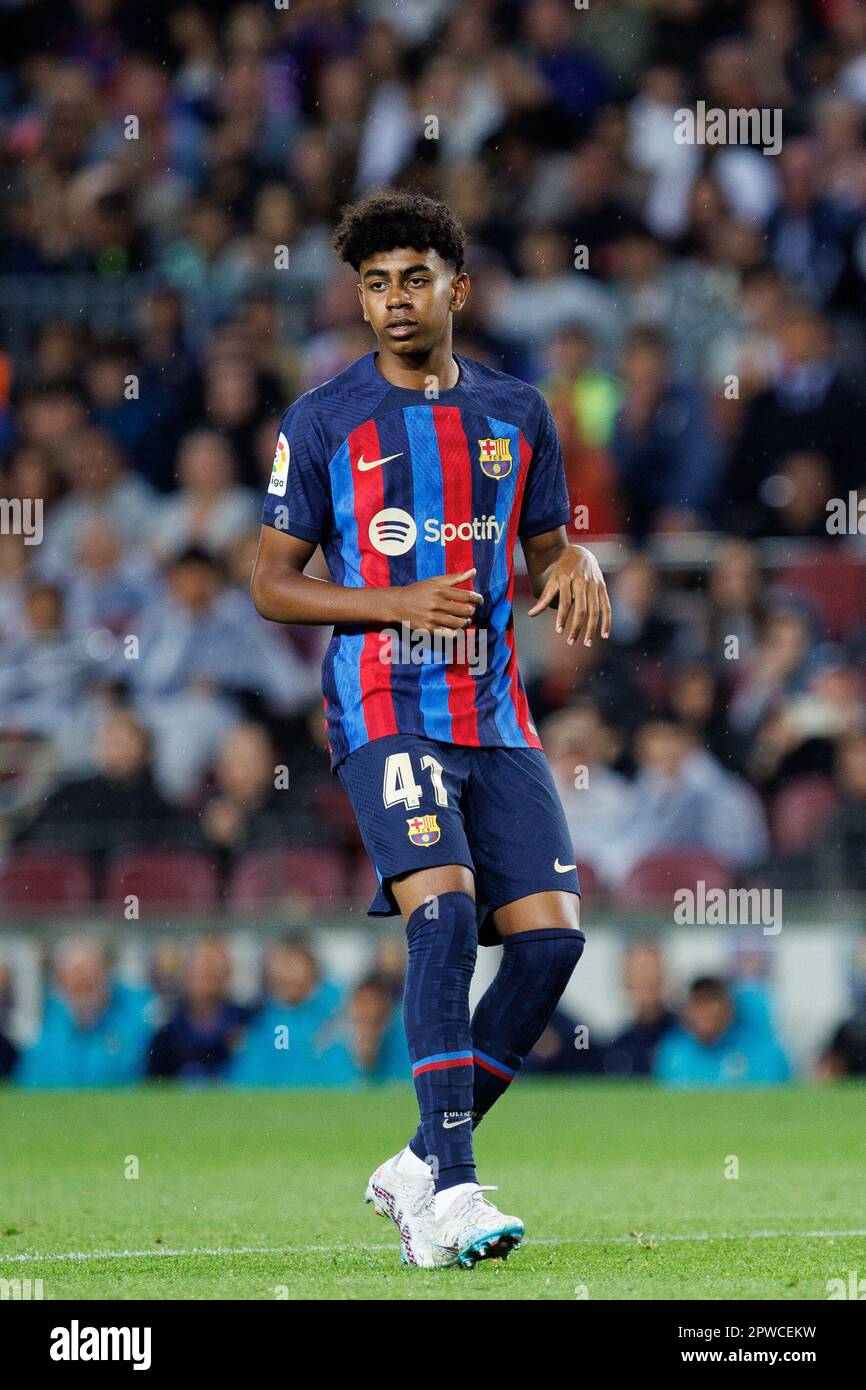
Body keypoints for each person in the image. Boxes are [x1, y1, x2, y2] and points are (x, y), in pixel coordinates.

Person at [250, 189, 611, 1269]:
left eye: (413, 277)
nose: (394, 299)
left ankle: (412, 1159)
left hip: (494, 713)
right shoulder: (323, 420)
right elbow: (271, 582)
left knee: (549, 945)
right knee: (443, 917)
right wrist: (390, 603)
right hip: (381, 709)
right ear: (357, 298)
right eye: (374, 281)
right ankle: (449, 1194)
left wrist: (574, 559)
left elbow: (541, 546)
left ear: (456, 288)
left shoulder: (516, 412)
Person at [654, 976, 791, 1088]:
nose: (704, 1011)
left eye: (711, 1001)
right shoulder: (673, 1053)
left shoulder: (763, 1051)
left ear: (728, 1007)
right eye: (697, 1003)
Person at [146, 938, 248, 1082]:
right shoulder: (166, 1036)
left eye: (214, 966)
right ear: (186, 974)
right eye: (201, 967)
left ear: (228, 972)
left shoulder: (249, 1024)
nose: (208, 971)